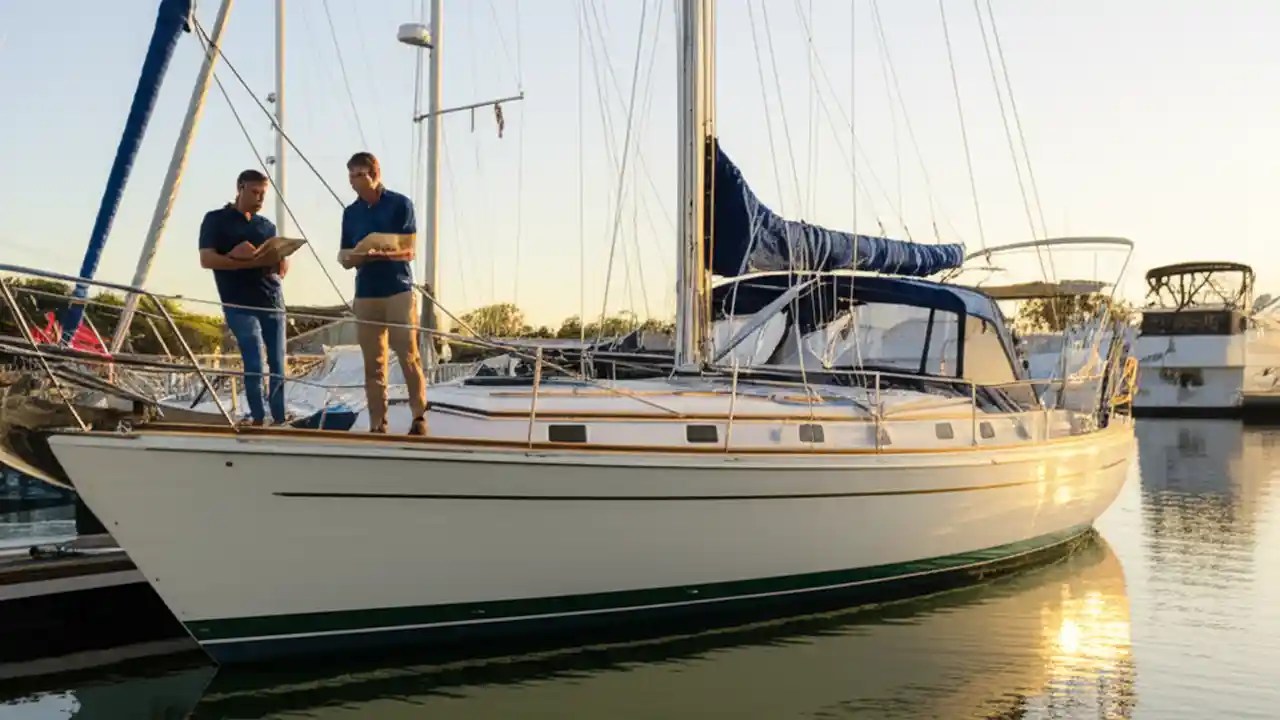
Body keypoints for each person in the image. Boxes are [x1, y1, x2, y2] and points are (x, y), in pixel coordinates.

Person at [337, 152, 428, 435]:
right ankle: (378, 423)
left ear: (374, 173)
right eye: (350, 175)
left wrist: (381, 251)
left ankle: (419, 416)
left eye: (359, 175)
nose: (353, 182)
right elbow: (344, 252)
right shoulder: (350, 213)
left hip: (398, 288)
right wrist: (354, 257)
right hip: (365, 292)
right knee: (372, 363)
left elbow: (410, 250)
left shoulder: (400, 204)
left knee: (408, 355)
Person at [198, 169, 289, 426]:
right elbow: (206, 259)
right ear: (240, 188)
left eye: (263, 194)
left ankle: (280, 418)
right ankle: (258, 416)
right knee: (254, 358)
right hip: (238, 302)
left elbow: (277, 262)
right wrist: (235, 258)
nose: (259, 198)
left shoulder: (266, 226)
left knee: (278, 362)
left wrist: (281, 263)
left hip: (271, 298)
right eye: (254, 192)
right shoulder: (216, 220)